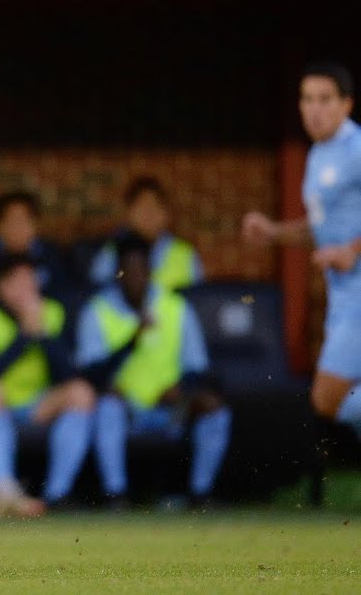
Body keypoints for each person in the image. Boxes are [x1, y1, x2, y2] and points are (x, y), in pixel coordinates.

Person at [243, 61, 361, 439]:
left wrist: (353, 251)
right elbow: (324, 230)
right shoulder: (317, 155)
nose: (315, 108)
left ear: (346, 105)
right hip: (342, 297)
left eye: (325, 99)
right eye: (307, 99)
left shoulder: (355, 148)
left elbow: (344, 241)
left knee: (328, 400)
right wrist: (274, 232)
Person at [76, 234, 230, 508]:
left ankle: (200, 494)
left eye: (141, 270)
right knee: (107, 406)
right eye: (128, 271)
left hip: (170, 408)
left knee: (214, 408)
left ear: (150, 272)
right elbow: (91, 374)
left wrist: (182, 389)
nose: (135, 278)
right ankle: (116, 495)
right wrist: (132, 341)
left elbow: (199, 368)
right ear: (117, 275)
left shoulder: (175, 307)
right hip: (126, 409)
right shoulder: (97, 311)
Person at [0, 254, 95, 516]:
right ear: (1, 286)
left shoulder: (52, 312)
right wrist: (22, 338)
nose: (27, 292)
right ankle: (5, 491)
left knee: (81, 393)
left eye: (31, 284)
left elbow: (68, 372)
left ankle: (57, 494)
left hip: (39, 405)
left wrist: (41, 334)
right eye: (18, 284)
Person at [89, 177, 203, 292]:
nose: (148, 215)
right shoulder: (111, 252)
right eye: (142, 207)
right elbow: (98, 296)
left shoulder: (185, 255)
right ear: (128, 213)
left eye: (155, 206)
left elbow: (198, 301)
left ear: (166, 214)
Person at [0, 191, 70, 298]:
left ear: (37, 225)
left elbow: (65, 294)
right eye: (12, 221)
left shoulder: (51, 255)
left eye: (24, 221)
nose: (18, 229)